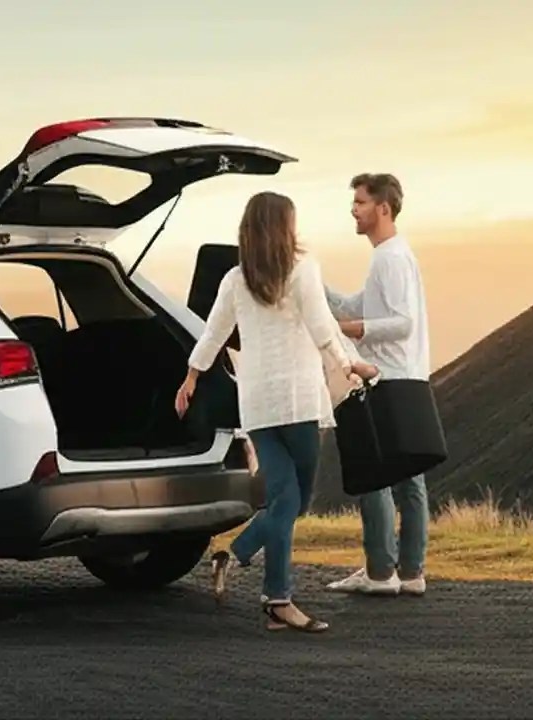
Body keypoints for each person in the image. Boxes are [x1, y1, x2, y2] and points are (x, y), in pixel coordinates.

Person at [175, 190, 377, 633]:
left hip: (260, 407)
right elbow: (322, 328)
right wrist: (350, 365)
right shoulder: (302, 271)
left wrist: (191, 376)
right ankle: (277, 599)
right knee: (293, 501)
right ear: (286, 228)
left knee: (287, 500)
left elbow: (213, 335)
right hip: (299, 401)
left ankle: (237, 553)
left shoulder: (234, 280)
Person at [323, 172, 432, 597]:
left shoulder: (389, 257)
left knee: (375, 475)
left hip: (387, 376)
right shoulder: (393, 255)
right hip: (408, 375)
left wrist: (347, 330)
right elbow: (361, 306)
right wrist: (318, 290)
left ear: (383, 208)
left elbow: (401, 324)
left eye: (362, 202)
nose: (354, 209)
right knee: (409, 479)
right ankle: (410, 572)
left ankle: (380, 571)